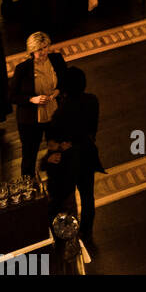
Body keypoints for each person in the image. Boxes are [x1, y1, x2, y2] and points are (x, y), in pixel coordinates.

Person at [43, 66, 104, 242]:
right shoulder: (93, 101)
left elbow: (53, 138)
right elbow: (93, 129)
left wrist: (61, 146)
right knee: (87, 196)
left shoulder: (61, 112)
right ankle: (87, 231)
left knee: (66, 197)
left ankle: (68, 232)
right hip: (87, 152)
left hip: (69, 160)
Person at [9, 32, 68, 176]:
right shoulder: (22, 69)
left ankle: (56, 178)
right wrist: (32, 99)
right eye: (39, 49)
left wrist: (57, 91)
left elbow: (66, 81)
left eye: (45, 47)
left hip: (53, 114)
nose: (43, 52)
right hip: (31, 119)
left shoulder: (57, 59)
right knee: (29, 155)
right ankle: (29, 188)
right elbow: (11, 96)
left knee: (56, 149)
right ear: (31, 51)